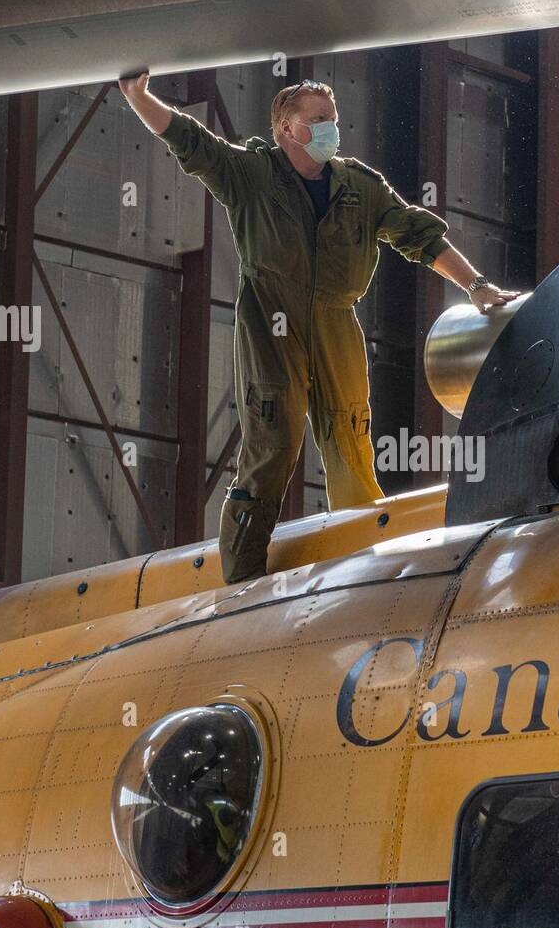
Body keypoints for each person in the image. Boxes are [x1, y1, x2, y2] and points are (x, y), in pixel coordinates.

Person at [119, 73, 519, 583]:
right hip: (271, 320)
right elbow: (190, 140)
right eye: (318, 122)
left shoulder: (360, 188)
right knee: (274, 442)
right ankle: (240, 580)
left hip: (336, 321)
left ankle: (364, 571)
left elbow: (418, 234)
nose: (331, 130)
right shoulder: (251, 175)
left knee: (351, 445)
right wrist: (139, 97)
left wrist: (476, 284)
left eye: (334, 120)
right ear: (286, 128)